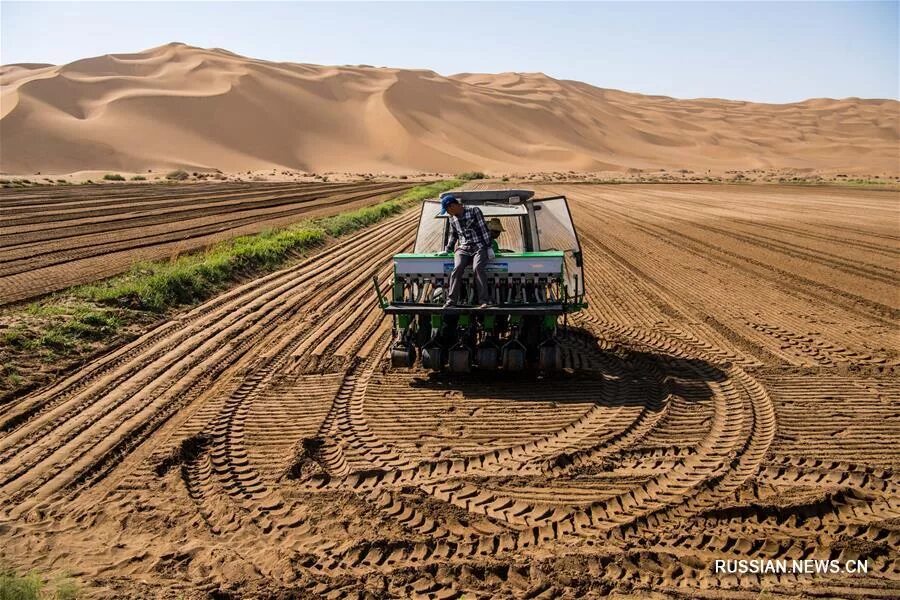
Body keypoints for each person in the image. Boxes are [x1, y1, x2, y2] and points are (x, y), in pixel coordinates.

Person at [440, 195, 492, 308]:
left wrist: (488, 247)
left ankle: (484, 301)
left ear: (452, 206)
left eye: (447, 210)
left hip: (479, 246)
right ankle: (451, 301)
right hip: (463, 248)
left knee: (477, 268)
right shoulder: (452, 218)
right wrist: (447, 249)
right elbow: (453, 235)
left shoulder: (474, 211)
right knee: (457, 268)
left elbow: (484, 230)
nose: (448, 213)